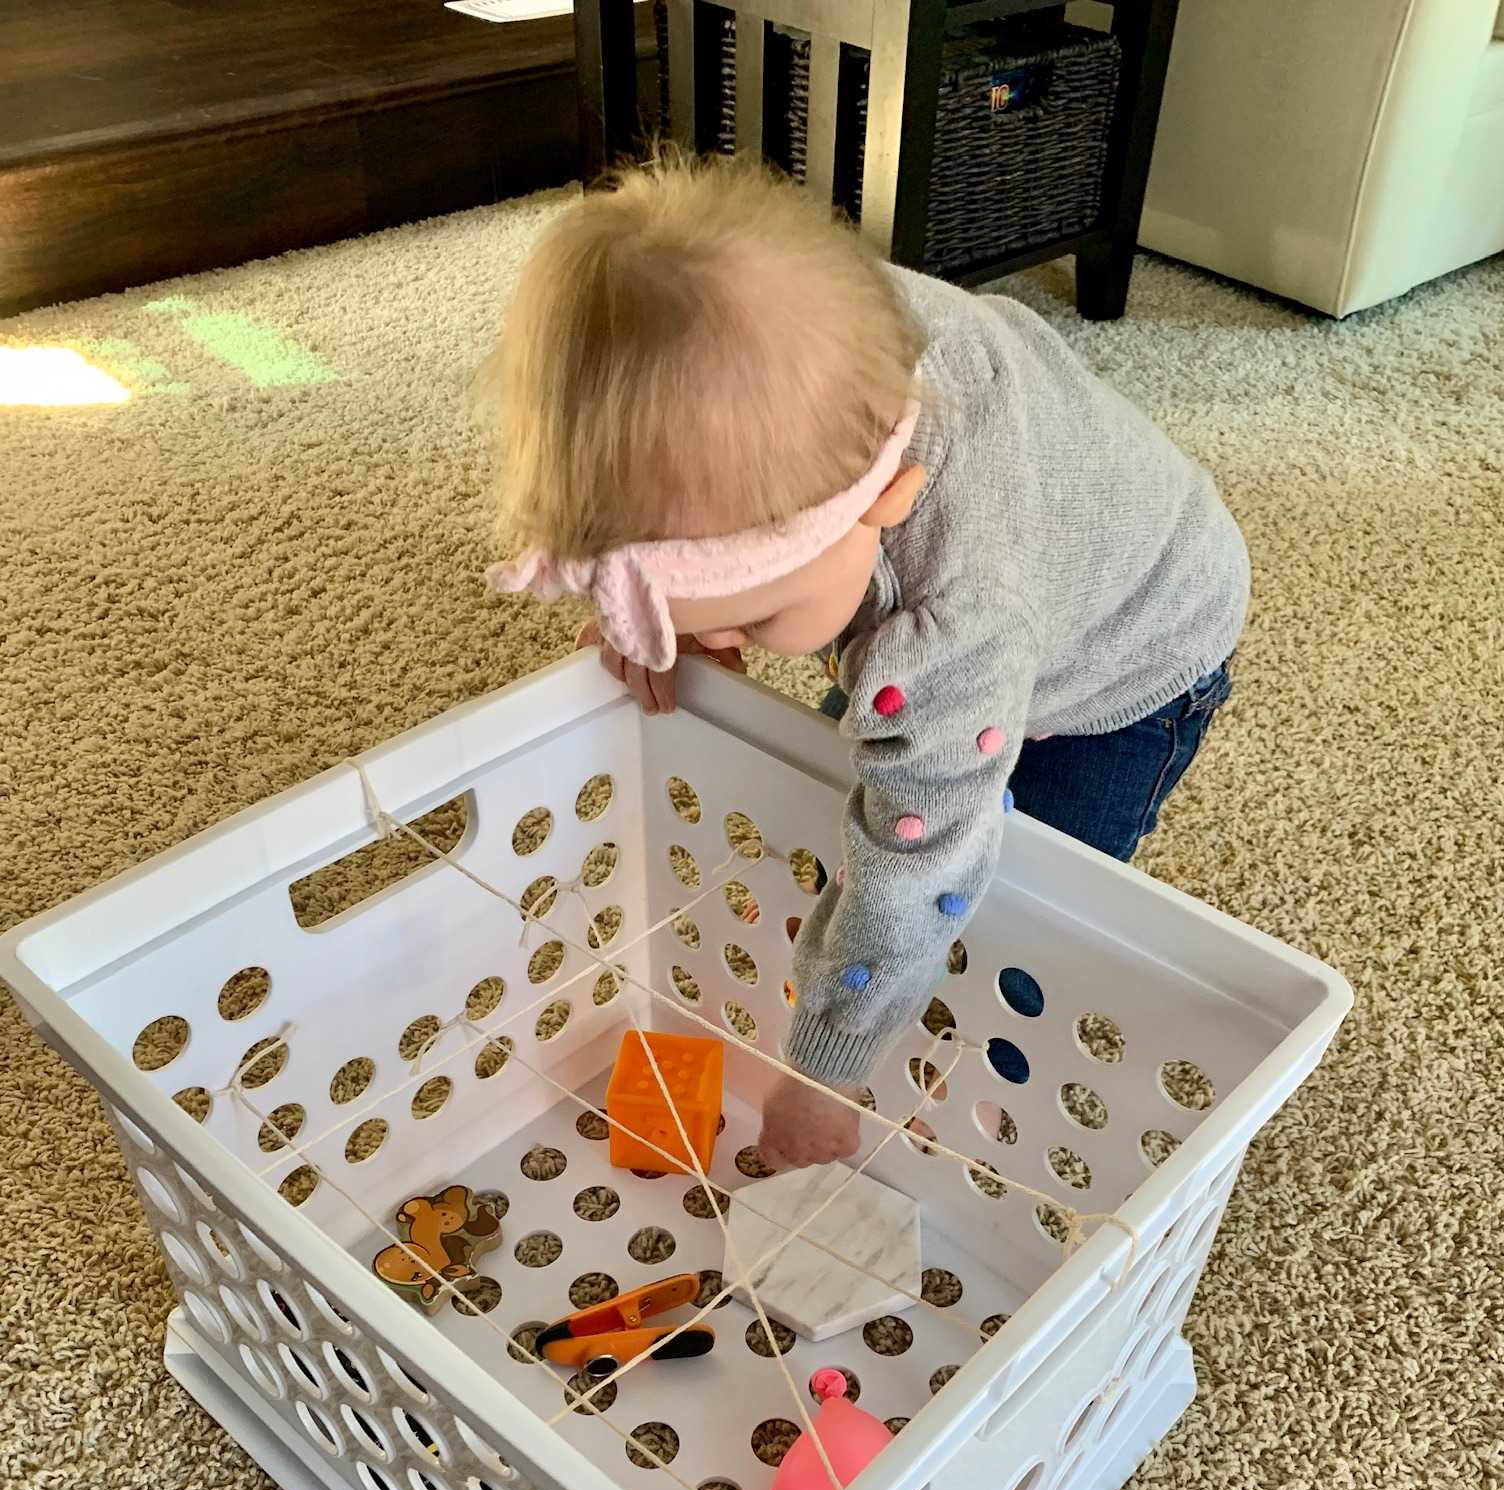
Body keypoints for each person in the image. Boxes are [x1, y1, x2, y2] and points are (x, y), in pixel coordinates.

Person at [485, 154, 1248, 1171]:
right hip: (1028, 546)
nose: (720, 648)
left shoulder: (952, 625)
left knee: (1007, 897)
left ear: (885, 502)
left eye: (750, 620)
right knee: (850, 827)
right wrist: (653, 623)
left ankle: (981, 1076)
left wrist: (823, 1076)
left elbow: (915, 870)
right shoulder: (821, 336)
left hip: (1134, 656)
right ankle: (855, 989)